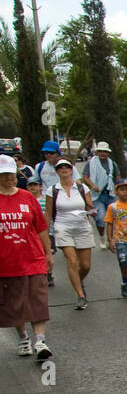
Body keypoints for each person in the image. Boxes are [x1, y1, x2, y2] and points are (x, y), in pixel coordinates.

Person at [0, 154, 55, 361]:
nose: (10, 179)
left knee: (37, 300)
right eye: (4, 175)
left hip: (32, 258)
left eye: (12, 174)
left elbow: (40, 227)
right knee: (15, 304)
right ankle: (23, 338)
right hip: (6, 263)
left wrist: (47, 253)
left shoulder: (27, 197)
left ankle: (40, 341)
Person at [46, 159, 96, 310]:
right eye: (60, 168)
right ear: (57, 171)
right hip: (62, 227)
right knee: (72, 261)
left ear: (71, 169)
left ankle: (78, 281)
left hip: (82, 226)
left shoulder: (81, 188)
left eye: (66, 167)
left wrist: (92, 212)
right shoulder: (52, 190)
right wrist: (46, 234)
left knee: (85, 265)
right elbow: (48, 213)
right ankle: (80, 296)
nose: (63, 169)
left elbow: (90, 207)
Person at [105, 179, 127, 298]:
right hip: (120, 240)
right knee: (124, 261)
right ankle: (125, 281)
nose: (125, 192)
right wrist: (110, 240)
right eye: (121, 189)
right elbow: (109, 223)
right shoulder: (113, 207)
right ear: (116, 192)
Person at [85, 142, 119, 244]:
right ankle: (102, 236)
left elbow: (117, 177)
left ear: (108, 153)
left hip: (110, 194)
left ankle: (112, 238)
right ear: (97, 152)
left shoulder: (112, 164)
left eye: (105, 151)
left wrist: (117, 188)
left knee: (113, 218)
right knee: (100, 218)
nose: (103, 153)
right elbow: (85, 177)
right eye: (100, 151)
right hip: (96, 195)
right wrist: (92, 185)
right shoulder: (91, 163)